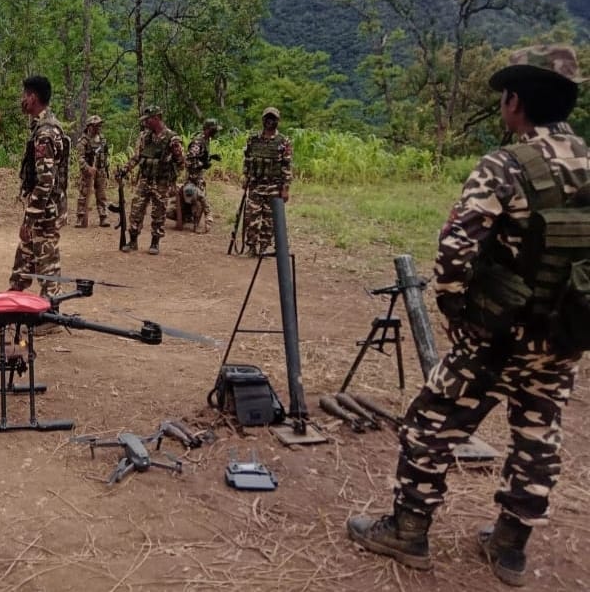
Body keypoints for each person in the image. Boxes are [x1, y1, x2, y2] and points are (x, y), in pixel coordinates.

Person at [347, 45, 590, 587]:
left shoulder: (505, 166)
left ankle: (408, 532)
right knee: (539, 434)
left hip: (497, 335)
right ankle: (509, 549)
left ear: (515, 102)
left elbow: (457, 249)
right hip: (563, 333)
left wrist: (456, 308)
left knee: (431, 424)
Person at [9, 75, 68, 298]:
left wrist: (30, 218)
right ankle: (15, 294)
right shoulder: (40, 127)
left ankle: (51, 312)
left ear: (33, 98)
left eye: (24, 95)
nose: (22, 100)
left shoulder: (45, 133)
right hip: (40, 209)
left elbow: (45, 182)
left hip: (45, 211)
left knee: (47, 262)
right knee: (25, 254)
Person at [114, 105, 185, 255]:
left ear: (156, 118)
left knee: (159, 212)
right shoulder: (145, 137)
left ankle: (155, 242)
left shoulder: (172, 138)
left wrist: (173, 177)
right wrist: (125, 170)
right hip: (145, 179)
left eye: (148, 120)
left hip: (161, 182)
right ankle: (133, 241)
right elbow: (137, 157)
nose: (145, 123)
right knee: (136, 209)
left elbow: (181, 163)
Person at [241, 107, 292, 256]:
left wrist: (285, 188)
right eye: (267, 118)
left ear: (278, 121)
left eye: (273, 118)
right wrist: (246, 177)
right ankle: (251, 247)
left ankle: (263, 248)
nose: (270, 121)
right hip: (256, 185)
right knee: (251, 217)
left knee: (269, 220)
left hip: (274, 186)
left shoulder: (283, 142)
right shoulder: (253, 139)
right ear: (263, 120)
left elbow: (286, 165)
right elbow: (248, 160)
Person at [180, 117, 222, 233]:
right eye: (214, 130)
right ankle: (197, 222)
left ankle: (193, 221)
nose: (216, 132)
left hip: (198, 175)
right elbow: (189, 160)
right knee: (199, 199)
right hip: (193, 177)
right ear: (207, 129)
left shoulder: (206, 140)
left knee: (199, 199)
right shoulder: (198, 142)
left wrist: (211, 157)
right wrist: (203, 164)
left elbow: (201, 156)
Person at [75, 114, 111, 228]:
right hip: (88, 172)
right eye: (96, 125)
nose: (98, 128)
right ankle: (81, 218)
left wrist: (105, 168)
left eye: (99, 125)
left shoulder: (102, 140)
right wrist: (87, 168)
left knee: (101, 195)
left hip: (100, 171)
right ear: (89, 126)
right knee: (83, 195)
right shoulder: (83, 141)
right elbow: (80, 158)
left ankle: (103, 217)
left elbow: (105, 155)